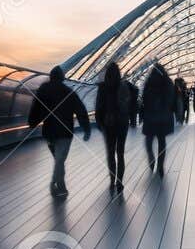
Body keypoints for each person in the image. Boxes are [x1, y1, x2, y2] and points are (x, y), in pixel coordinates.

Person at [26, 65, 91, 198]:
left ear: (51, 77)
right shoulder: (68, 92)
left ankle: (59, 184)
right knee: (60, 159)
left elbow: (36, 108)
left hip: (49, 131)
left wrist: (32, 122)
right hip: (65, 132)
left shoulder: (43, 90)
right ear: (62, 78)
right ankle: (56, 184)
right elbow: (80, 110)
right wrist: (86, 129)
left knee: (58, 159)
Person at [94, 62, 136, 192]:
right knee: (120, 153)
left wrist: (100, 123)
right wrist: (132, 117)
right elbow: (134, 98)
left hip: (109, 124)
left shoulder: (102, 87)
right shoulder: (125, 85)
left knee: (111, 153)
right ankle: (119, 182)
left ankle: (112, 180)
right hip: (122, 123)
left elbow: (98, 107)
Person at [142, 62, 177, 175]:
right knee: (162, 141)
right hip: (164, 117)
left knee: (149, 140)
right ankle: (160, 166)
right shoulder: (168, 83)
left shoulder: (149, 82)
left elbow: (144, 99)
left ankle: (151, 158)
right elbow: (172, 100)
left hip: (150, 117)